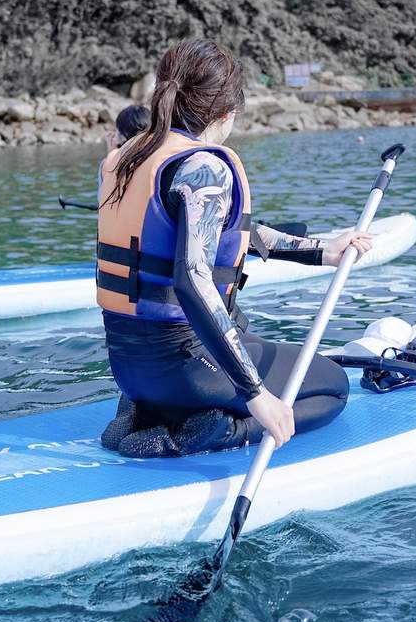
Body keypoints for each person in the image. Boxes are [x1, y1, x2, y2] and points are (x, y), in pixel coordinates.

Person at [95, 39, 372, 458]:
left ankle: (143, 412)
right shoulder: (204, 166)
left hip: (129, 369)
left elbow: (228, 228)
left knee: (245, 343)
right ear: (227, 113)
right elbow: (192, 280)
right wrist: (255, 394)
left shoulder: (125, 157)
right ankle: (217, 430)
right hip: (185, 367)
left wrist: (321, 251)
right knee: (332, 386)